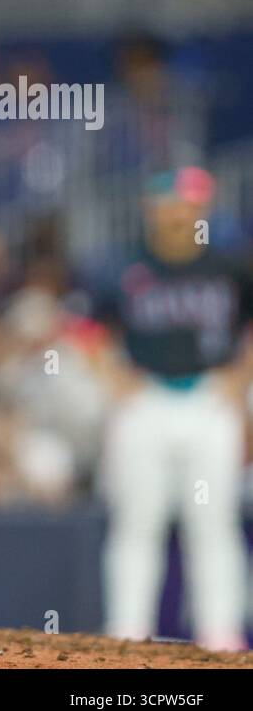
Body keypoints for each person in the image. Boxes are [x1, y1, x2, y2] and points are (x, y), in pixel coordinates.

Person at [94, 167, 251, 650]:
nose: (179, 213)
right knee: (138, 521)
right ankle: (125, 633)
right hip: (147, 400)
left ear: (202, 208)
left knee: (215, 523)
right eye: (170, 203)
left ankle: (221, 636)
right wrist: (114, 377)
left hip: (209, 400)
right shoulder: (126, 267)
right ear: (153, 209)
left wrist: (242, 380)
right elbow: (87, 326)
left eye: (188, 203)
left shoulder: (229, 267)